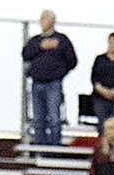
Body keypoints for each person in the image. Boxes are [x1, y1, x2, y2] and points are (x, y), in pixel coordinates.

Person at [23, 12, 77, 147]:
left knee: (54, 118)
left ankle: (54, 147)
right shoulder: (35, 40)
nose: (42, 21)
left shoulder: (62, 40)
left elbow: (72, 60)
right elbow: (25, 54)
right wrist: (40, 46)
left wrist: (60, 73)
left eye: (45, 18)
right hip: (36, 84)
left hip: (53, 84)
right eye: (41, 18)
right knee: (38, 118)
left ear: (53, 21)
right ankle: (40, 147)